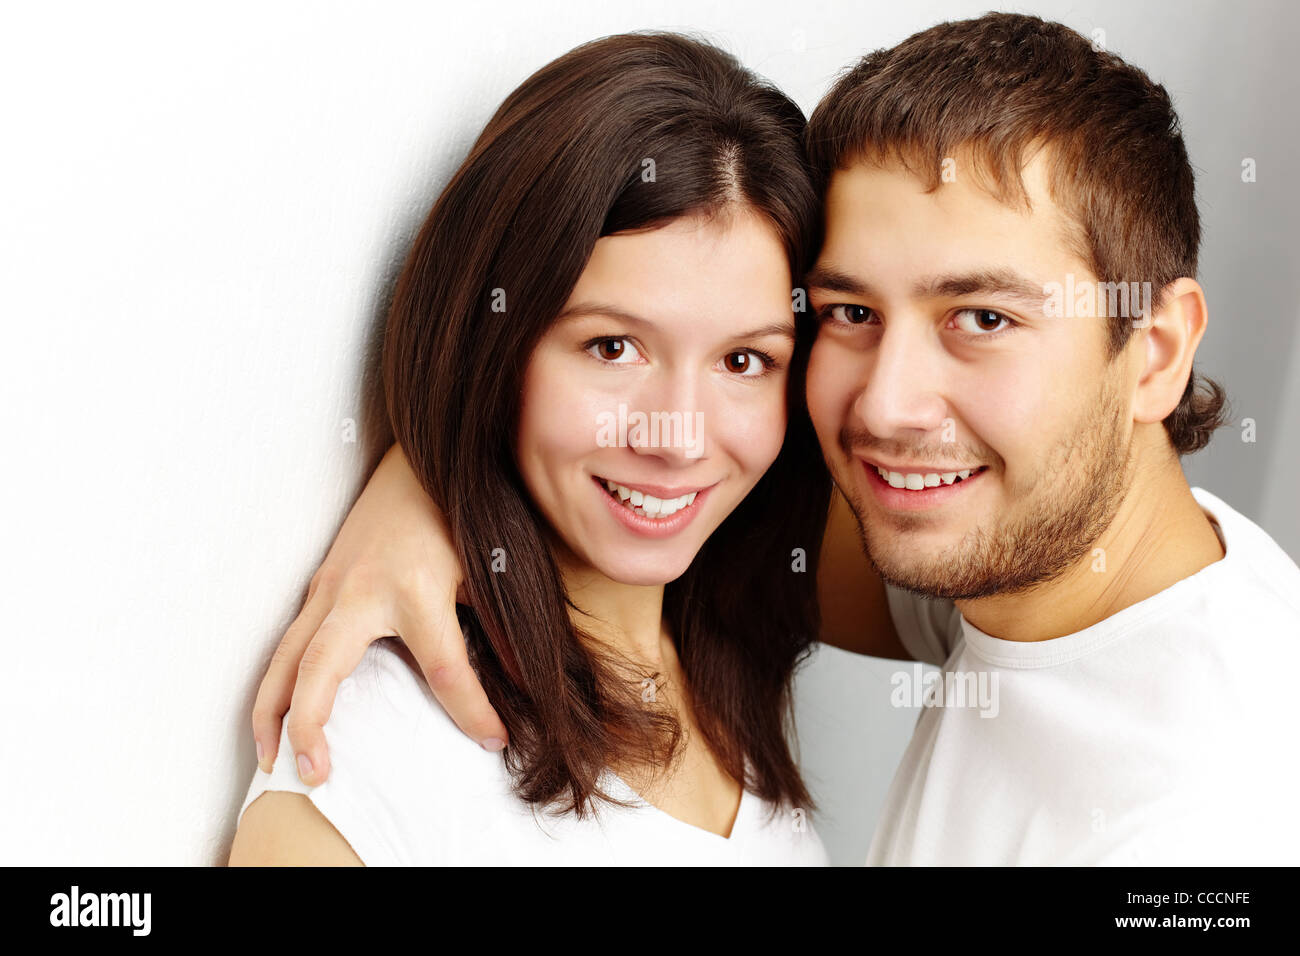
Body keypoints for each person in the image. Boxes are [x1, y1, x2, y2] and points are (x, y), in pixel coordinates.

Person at [247, 14, 1300, 865]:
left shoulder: (1211, 815)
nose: (889, 406)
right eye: (848, 312)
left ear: (1153, 352)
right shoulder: (1028, 570)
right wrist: (436, 478)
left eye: (982, 318)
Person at [228, 30, 836, 865]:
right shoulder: (366, 757)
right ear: (495, 345)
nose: (679, 437)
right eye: (612, 347)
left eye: (743, 361)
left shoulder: (728, 642)